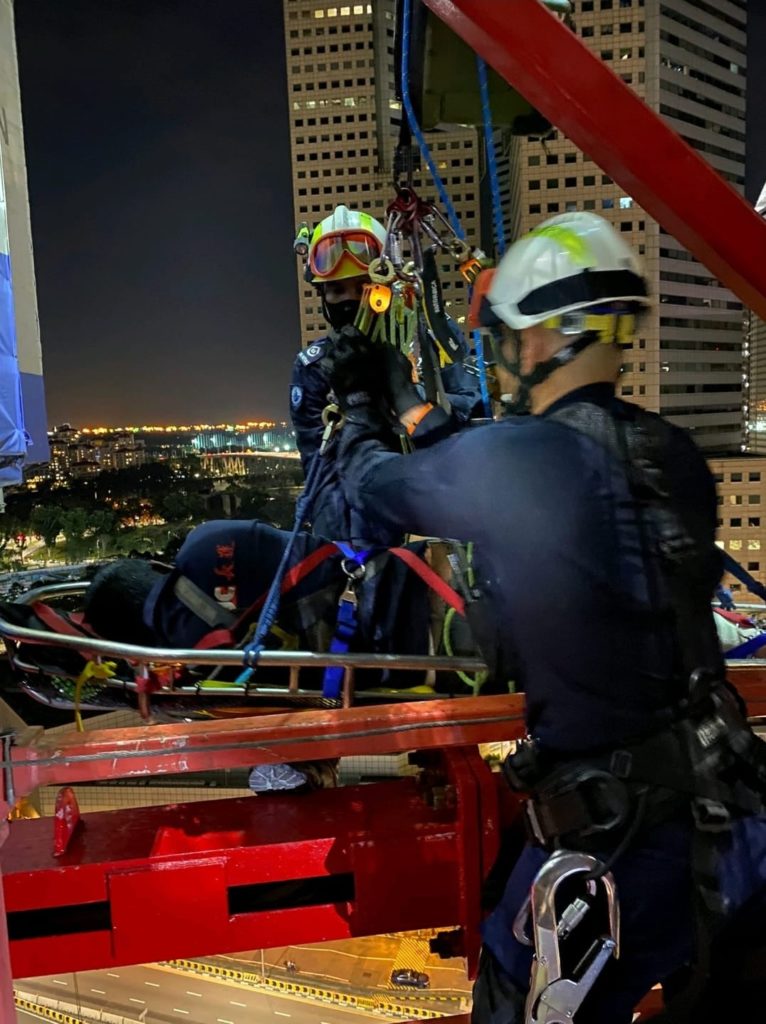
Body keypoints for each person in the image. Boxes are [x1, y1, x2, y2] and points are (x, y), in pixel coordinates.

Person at [328, 212, 766, 1021]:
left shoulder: (524, 459)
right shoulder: (672, 455)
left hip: (614, 845)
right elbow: (512, 475)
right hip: (729, 820)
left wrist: (358, 404)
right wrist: (411, 404)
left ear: (539, 338)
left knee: (513, 996)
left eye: (507, 338)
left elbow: (372, 492)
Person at [290, 203, 484, 545]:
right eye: (336, 290)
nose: (350, 301)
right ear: (322, 296)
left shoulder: (431, 340)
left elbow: (472, 414)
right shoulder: (316, 369)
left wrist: (407, 396)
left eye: (362, 286)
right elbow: (326, 485)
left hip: (445, 522)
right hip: (369, 541)